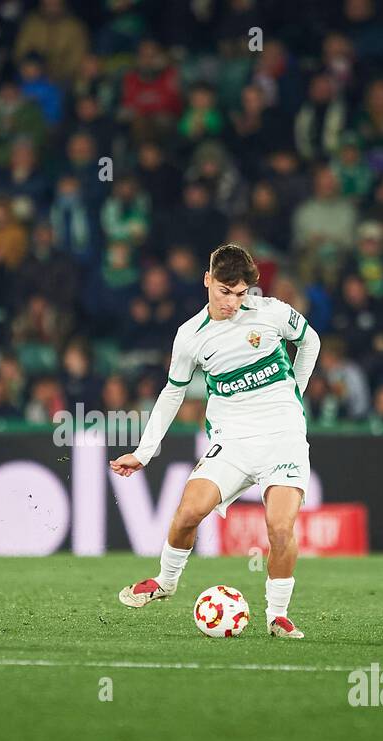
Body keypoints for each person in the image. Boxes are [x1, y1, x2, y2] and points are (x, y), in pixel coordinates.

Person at [110, 244, 320, 638]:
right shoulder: (190, 336)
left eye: (240, 294)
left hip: (283, 438)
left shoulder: (270, 312)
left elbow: (311, 342)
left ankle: (277, 615)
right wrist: (143, 452)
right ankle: (166, 581)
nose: (233, 303)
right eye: (225, 292)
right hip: (233, 441)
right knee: (188, 512)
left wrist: (296, 391)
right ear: (207, 281)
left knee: (278, 528)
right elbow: (172, 393)